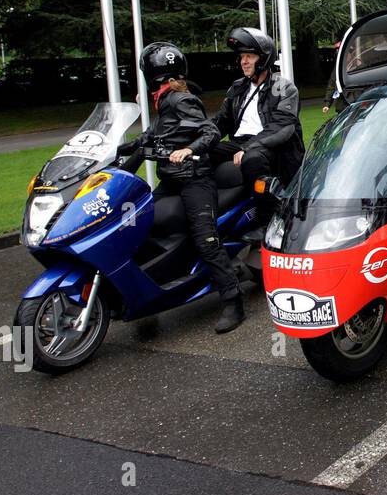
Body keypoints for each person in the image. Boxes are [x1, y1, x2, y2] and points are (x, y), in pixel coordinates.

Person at [129, 42, 245, 333]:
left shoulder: (180, 99)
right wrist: (121, 151)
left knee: (205, 239)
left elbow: (210, 131)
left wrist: (189, 149)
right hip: (171, 180)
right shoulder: (164, 100)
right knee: (139, 224)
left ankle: (233, 301)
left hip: (195, 178)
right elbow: (153, 136)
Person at [213, 27, 305, 220]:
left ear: (263, 58)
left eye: (250, 56)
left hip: (273, 146)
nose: (243, 62)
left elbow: (282, 127)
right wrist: (194, 143)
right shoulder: (238, 87)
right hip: (241, 143)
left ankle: (268, 218)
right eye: (241, 57)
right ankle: (209, 215)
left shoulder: (282, 87)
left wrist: (248, 147)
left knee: (252, 159)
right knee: (203, 154)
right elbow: (220, 122)